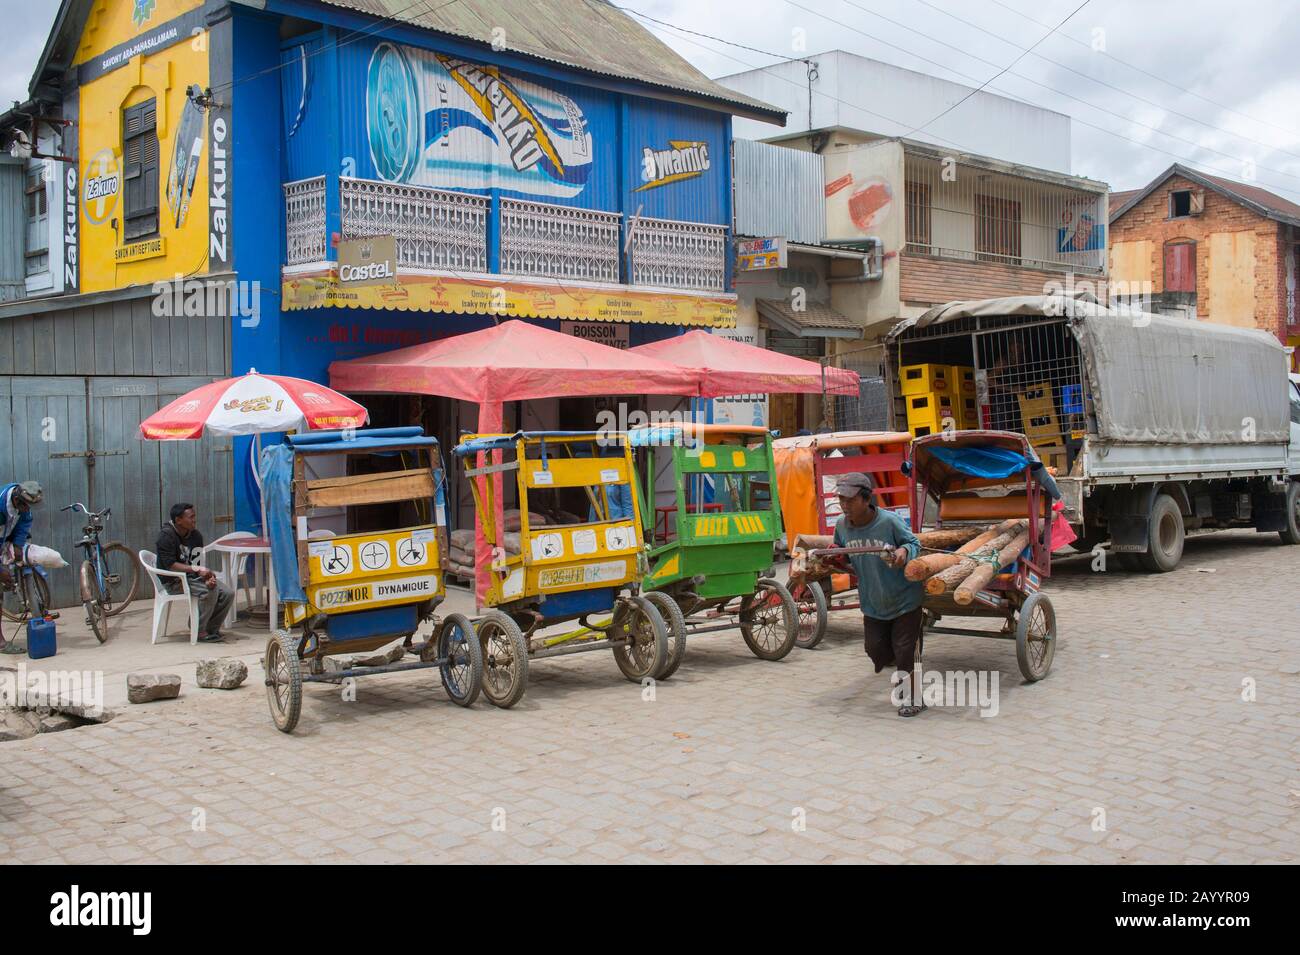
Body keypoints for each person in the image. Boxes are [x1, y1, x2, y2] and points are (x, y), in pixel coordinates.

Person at [832, 472, 927, 717]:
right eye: (841, 500)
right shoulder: (842, 526)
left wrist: (904, 553)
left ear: (866, 499)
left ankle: (913, 698)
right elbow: (840, 553)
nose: (844, 505)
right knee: (875, 650)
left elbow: (914, 543)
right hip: (872, 601)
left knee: (904, 650)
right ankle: (902, 660)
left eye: (850, 500)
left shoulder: (889, 522)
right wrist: (834, 559)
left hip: (905, 598)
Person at [156, 502, 233, 643]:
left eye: (194, 516)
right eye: (190, 517)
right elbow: (170, 565)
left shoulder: (195, 536)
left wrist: (206, 578)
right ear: (178, 520)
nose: (194, 520)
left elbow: (196, 563)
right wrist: (197, 570)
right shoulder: (166, 536)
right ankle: (197, 629)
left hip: (192, 578)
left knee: (227, 593)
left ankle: (210, 629)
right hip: (174, 581)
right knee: (210, 591)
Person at [0, 481, 43, 587]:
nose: (28, 509)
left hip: (6, 528)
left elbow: (25, 521)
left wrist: (18, 544)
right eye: (27, 507)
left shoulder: (22, 498)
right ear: (16, 501)